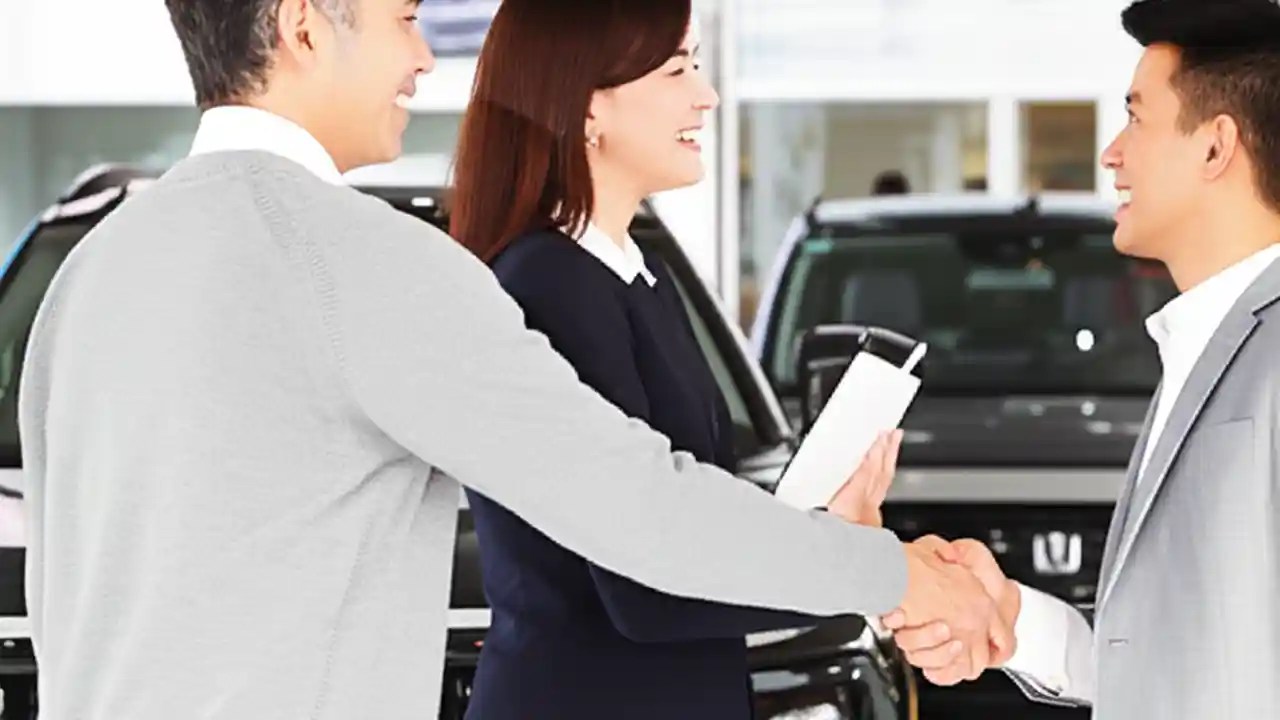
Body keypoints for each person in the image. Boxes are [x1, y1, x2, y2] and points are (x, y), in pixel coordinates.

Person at [17, 1, 1000, 718]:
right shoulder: (368, 261)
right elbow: (635, 506)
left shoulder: (87, 278)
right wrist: (893, 571)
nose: (422, 59)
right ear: (303, 25)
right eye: (404, 18)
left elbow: (56, 598)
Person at [448, 3, 905, 717]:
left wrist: (824, 529)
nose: (707, 93)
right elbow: (647, 582)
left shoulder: (633, 277)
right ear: (586, 105)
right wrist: (842, 564)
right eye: (677, 68)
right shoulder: (549, 283)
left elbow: (689, 515)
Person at [884, 1, 1280, 717]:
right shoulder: (1203, 344)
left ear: (1216, 147)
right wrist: (1007, 613)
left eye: (1135, 117)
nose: (1111, 154)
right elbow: (1175, 659)